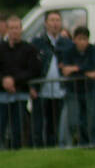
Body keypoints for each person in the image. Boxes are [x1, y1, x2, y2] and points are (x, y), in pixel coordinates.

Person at [0, 16, 39, 150]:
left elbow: (33, 71)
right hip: (2, 96)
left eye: (17, 28)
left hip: (21, 94)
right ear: (7, 30)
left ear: (21, 29)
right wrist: (4, 80)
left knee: (18, 130)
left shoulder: (29, 49)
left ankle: (16, 154)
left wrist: (14, 80)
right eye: (11, 28)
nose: (14, 31)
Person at [31, 10, 72, 148]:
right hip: (42, 90)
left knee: (57, 124)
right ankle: (40, 149)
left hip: (60, 91)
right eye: (52, 20)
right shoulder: (37, 42)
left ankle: (55, 147)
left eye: (57, 20)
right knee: (41, 123)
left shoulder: (67, 43)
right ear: (46, 23)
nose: (55, 23)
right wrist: (32, 86)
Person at [60, 26, 95, 146]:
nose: (82, 42)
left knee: (89, 120)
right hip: (73, 90)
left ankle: (88, 144)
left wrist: (75, 68)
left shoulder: (92, 50)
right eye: (79, 39)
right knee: (73, 120)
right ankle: (76, 141)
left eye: (85, 39)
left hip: (89, 90)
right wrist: (85, 71)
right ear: (74, 39)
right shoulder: (69, 51)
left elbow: (93, 65)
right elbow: (65, 69)